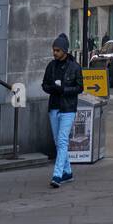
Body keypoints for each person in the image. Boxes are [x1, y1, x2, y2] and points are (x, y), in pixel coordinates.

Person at [41, 32, 84, 188]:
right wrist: (51, 89)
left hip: (68, 108)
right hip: (54, 107)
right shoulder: (51, 66)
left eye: (57, 50)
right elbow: (44, 84)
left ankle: (57, 175)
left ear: (65, 51)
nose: (55, 53)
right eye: (54, 50)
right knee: (58, 142)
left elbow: (80, 87)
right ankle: (68, 172)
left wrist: (64, 89)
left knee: (62, 140)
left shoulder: (75, 67)